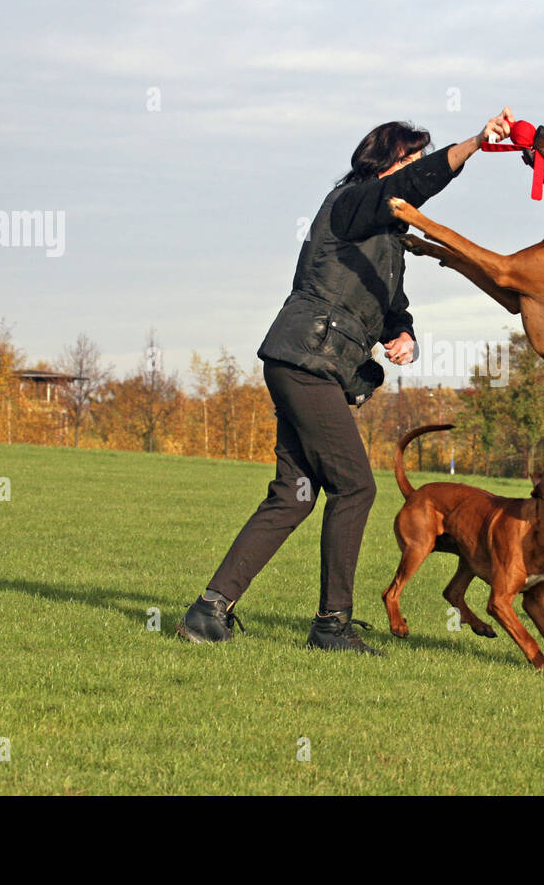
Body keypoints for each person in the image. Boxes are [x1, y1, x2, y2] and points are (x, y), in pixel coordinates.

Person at [178, 107, 515, 654]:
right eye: (413, 158)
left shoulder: (385, 238)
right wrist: (476, 142)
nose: (419, 168)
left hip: (307, 363)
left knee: (294, 494)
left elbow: (391, 304)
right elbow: (413, 184)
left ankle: (208, 611)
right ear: (386, 163)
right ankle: (331, 625)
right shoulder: (352, 203)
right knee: (356, 485)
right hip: (307, 361)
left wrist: (404, 333)